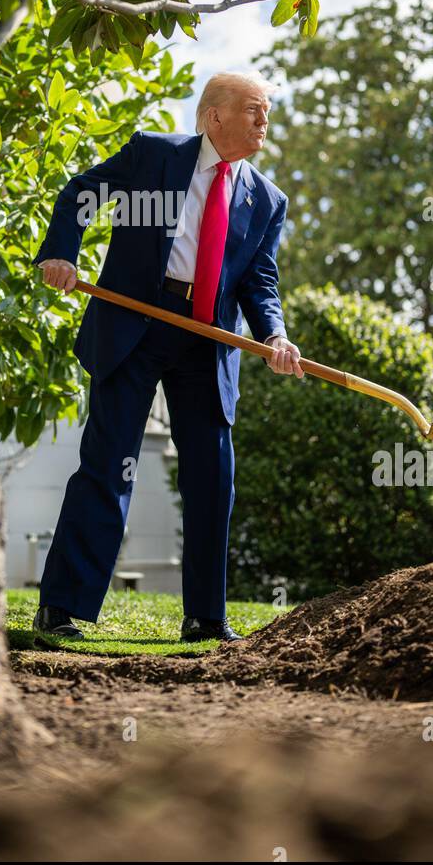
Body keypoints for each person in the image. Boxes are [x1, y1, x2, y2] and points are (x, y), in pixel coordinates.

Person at [31, 70, 304, 645]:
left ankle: (205, 617)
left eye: (267, 111)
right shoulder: (155, 155)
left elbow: (259, 281)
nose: (265, 121)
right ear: (214, 117)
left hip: (208, 341)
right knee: (108, 466)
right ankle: (62, 607)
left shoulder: (266, 198)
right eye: (254, 109)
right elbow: (84, 192)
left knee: (213, 476)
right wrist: (61, 253)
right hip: (136, 321)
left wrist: (275, 334)